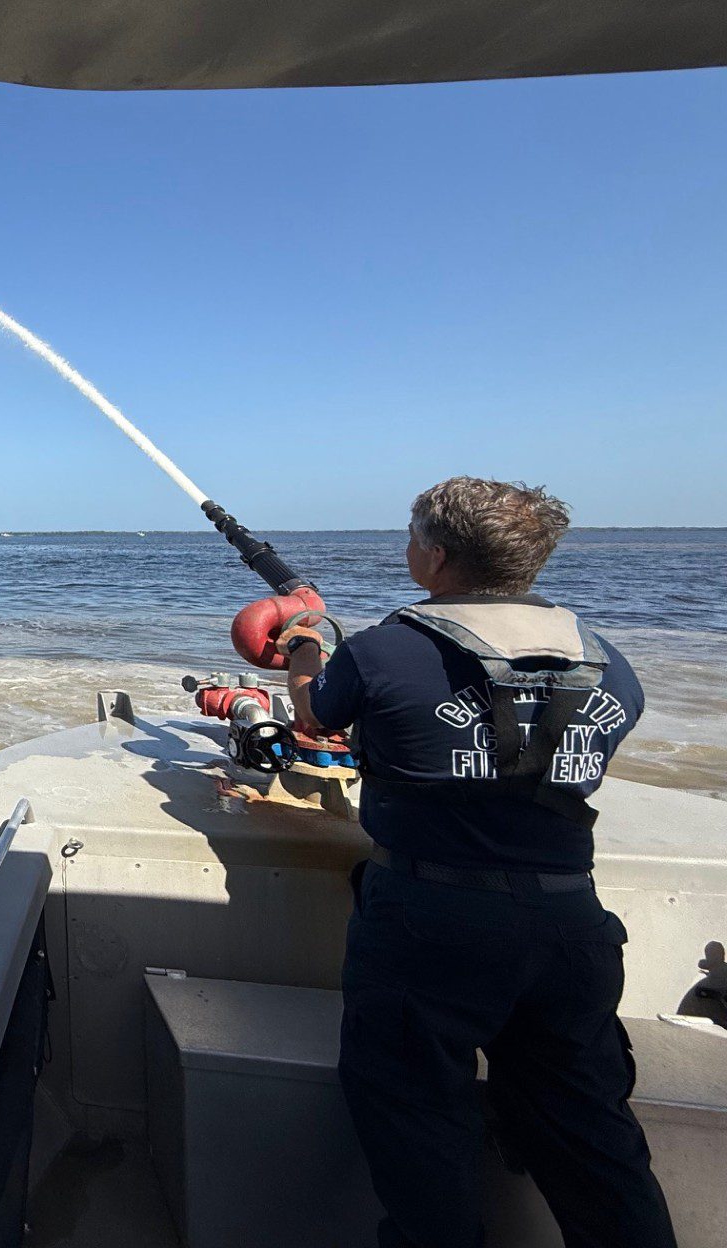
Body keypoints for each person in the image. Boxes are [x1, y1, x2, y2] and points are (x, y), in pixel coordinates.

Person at [285, 477, 675, 1248]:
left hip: (430, 927)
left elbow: (312, 712)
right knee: (595, 1144)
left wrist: (305, 639)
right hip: (572, 927)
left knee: (421, 1137)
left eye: (409, 535)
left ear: (434, 554)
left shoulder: (385, 649)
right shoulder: (609, 664)